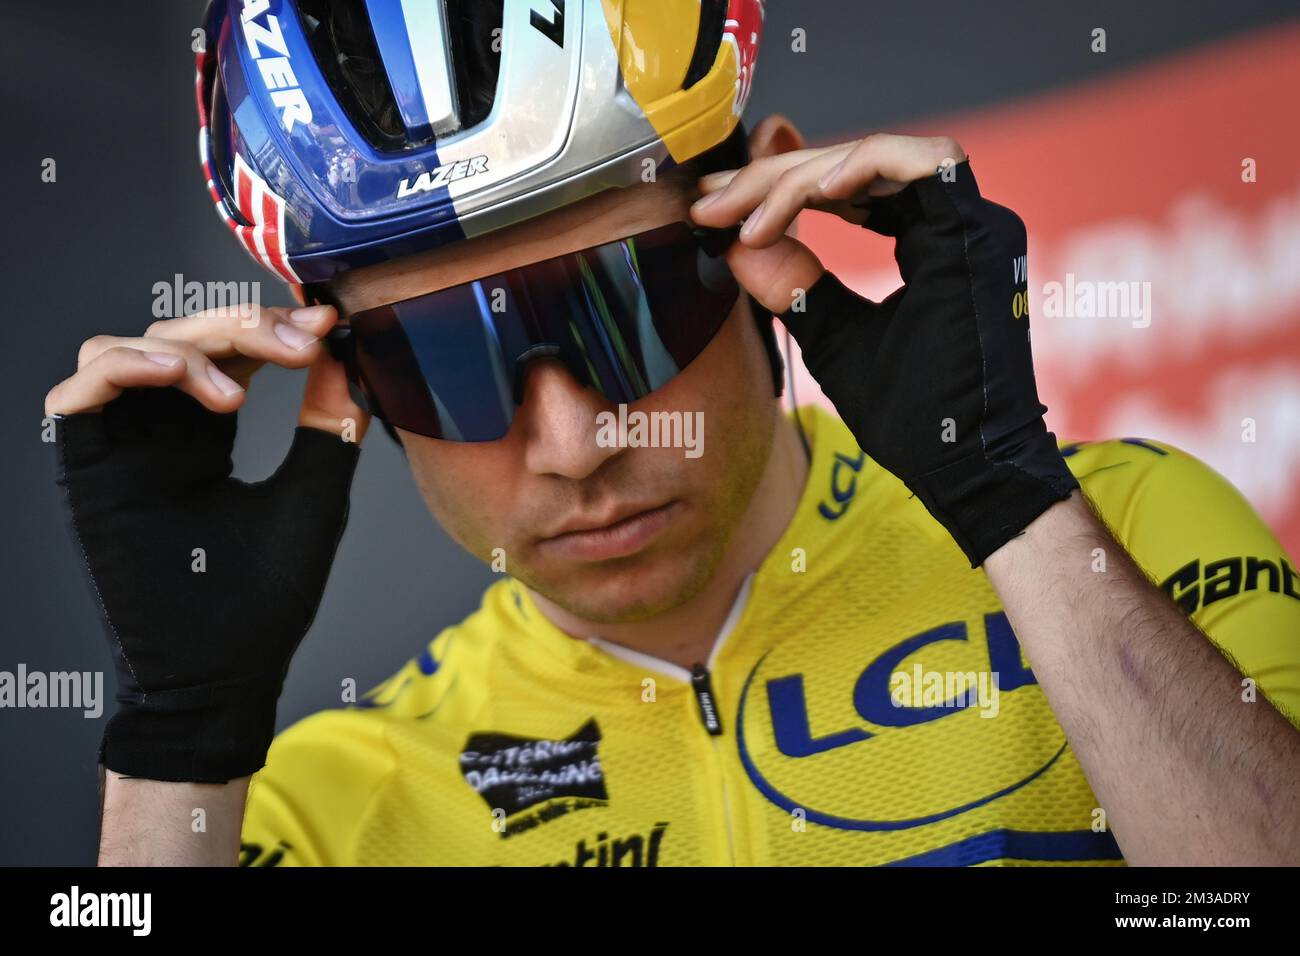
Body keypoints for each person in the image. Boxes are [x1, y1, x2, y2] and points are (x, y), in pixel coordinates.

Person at [48, 0, 1300, 867]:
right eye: (445, 361)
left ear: (767, 207)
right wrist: (176, 748)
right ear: (339, 376)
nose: (572, 440)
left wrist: (1016, 511)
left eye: (624, 309)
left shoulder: (1124, 534)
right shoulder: (327, 806)